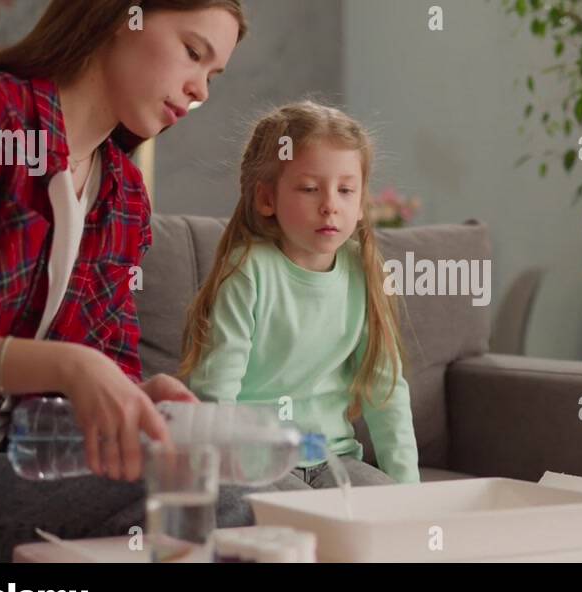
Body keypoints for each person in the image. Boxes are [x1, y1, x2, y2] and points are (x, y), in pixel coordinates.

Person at [0, 0, 247, 562]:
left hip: (24, 458)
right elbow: (75, 366)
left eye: (212, 74)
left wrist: (141, 397)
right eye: (193, 53)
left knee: (278, 494)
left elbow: (109, 361)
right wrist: (67, 367)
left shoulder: (123, 193)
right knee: (223, 506)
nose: (201, 90)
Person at [180, 100, 421, 489]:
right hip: (257, 463)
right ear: (267, 199)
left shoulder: (364, 271)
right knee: (304, 521)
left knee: (387, 515)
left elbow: (386, 391)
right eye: (310, 188)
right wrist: (215, 481)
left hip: (334, 457)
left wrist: (409, 494)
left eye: (345, 190)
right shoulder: (248, 271)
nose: (330, 205)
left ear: (361, 204)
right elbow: (217, 389)